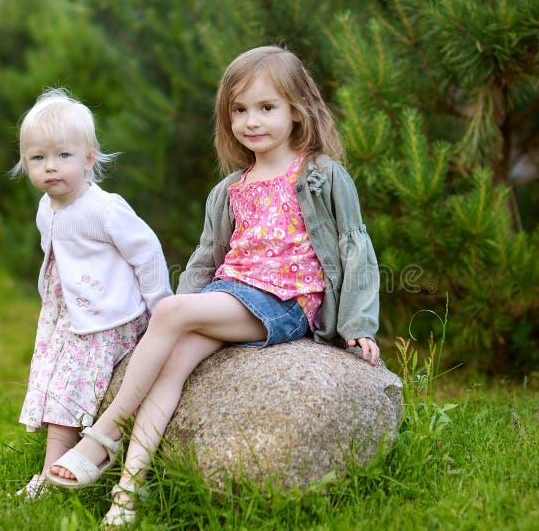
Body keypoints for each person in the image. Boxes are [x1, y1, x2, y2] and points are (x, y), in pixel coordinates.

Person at [43, 46, 380, 526]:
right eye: (239, 110)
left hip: (285, 303)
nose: (251, 121)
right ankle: (126, 495)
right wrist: (175, 316)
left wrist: (358, 323)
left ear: (297, 110)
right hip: (233, 293)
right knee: (172, 365)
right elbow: (206, 258)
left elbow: (355, 246)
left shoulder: (321, 175)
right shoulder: (229, 189)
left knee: (172, 314)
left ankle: (103, 435)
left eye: (267, 107)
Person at [11, 88, 172, 499]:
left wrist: (161, 309)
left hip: (108, 316)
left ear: (88, 158)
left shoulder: (104, 209)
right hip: (67, 314)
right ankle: (56, 462)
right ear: (25, 163)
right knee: (50, 378)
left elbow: (148, 252)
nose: (51, 167)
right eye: (38, 158)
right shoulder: (46, 208)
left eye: (63, 155)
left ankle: (53, 474)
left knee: (69, 385)